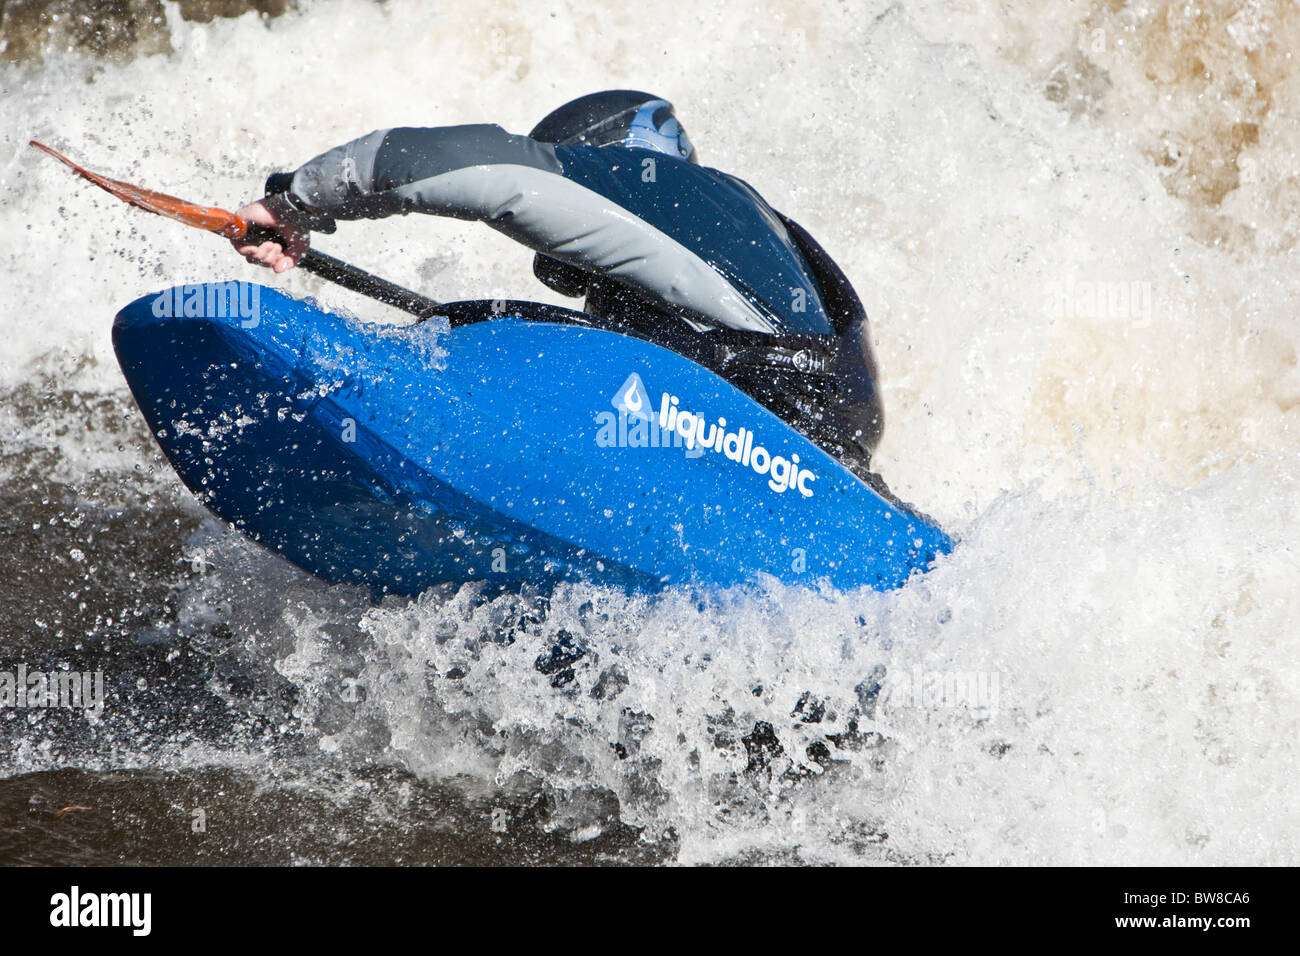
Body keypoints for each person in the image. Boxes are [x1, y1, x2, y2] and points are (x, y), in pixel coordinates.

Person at [232, 90, 889, 487]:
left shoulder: (670, 195)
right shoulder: (736, 241)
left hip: (770, 470)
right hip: (784, 472)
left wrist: (299, 199)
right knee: (492, 326)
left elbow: (486, 168)